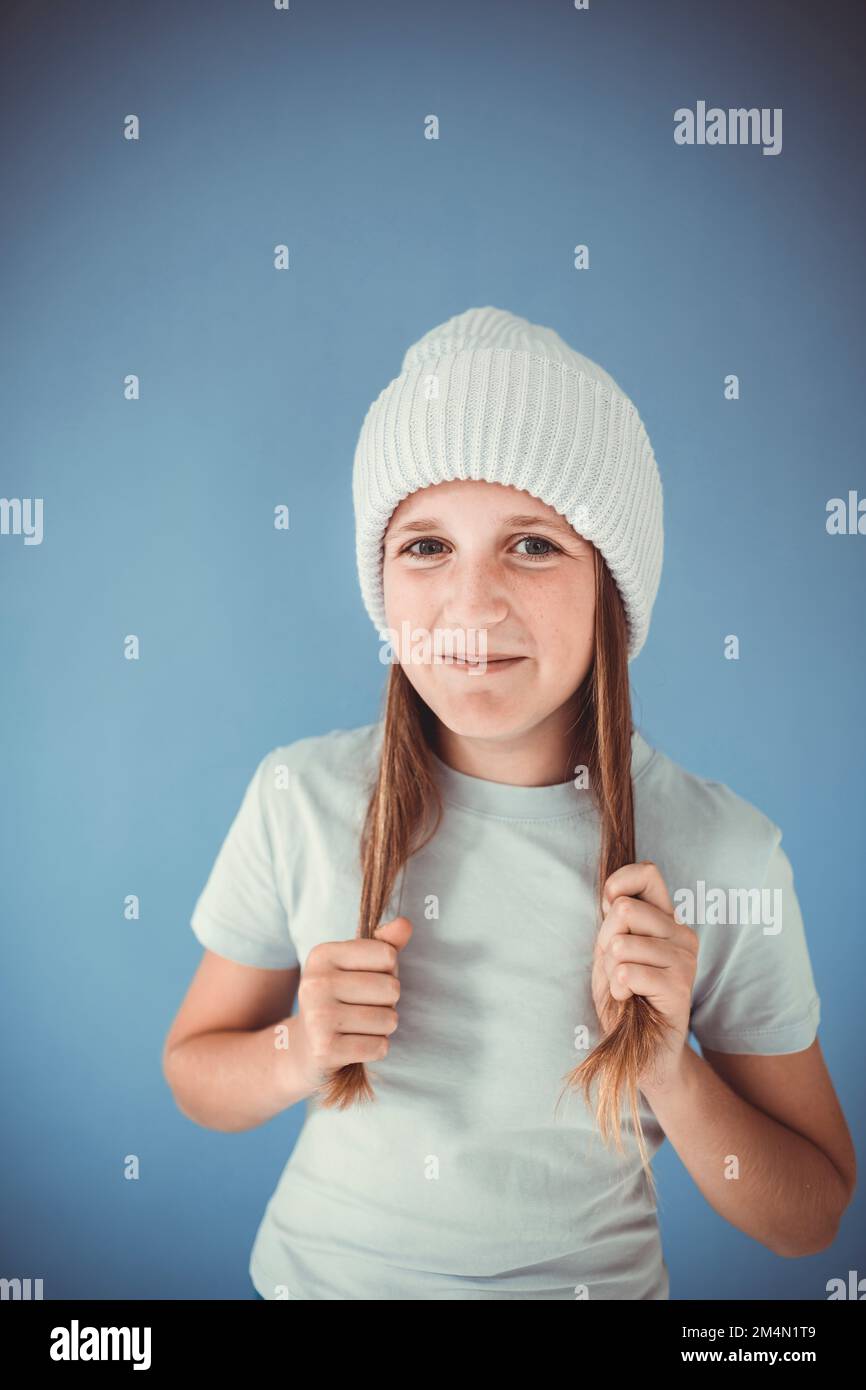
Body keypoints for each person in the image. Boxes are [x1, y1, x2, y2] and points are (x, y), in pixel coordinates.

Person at [163, 306, 855, 1301]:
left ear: (609, 591)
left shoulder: (719, 853)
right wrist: (296, 1047)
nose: (470, 605)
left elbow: (811, 1211)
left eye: (530, 545)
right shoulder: (300, 796)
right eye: (425, 546)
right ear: (381, 580)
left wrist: (669, 1069)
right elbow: (194, 1072)